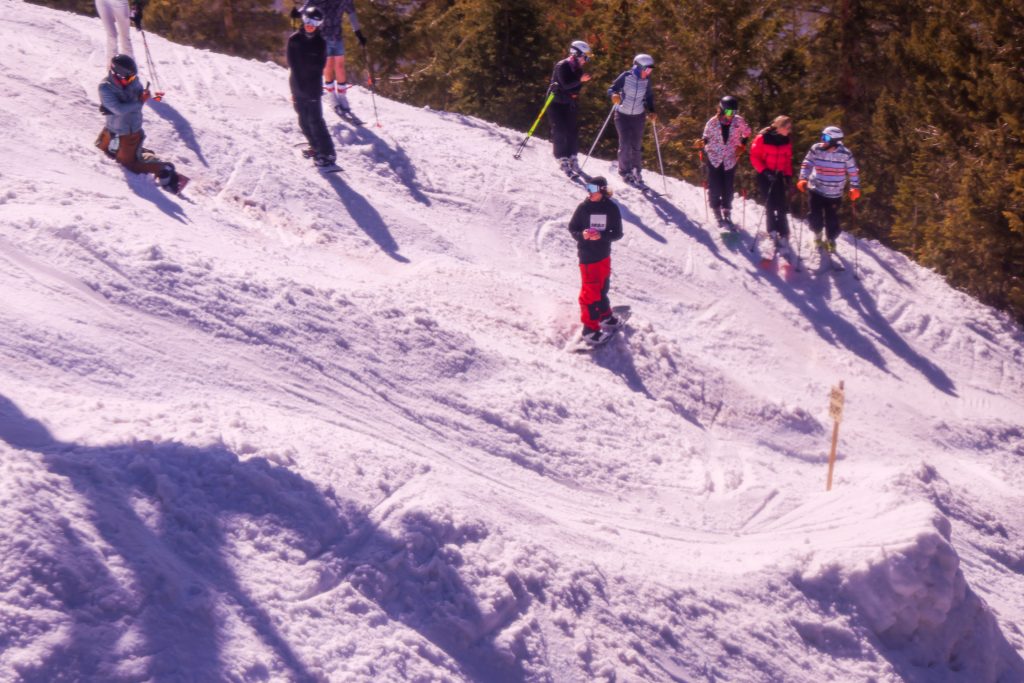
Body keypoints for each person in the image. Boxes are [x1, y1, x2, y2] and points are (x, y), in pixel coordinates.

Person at [95, 54, 186, 193]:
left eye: (133, 76)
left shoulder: (134, 82)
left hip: (129, 132)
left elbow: (126, 106)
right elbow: (119, 109)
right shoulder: (105, 88)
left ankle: (163, 169)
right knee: (102, 149)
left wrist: (141, 98)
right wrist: (137, 102)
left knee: (129, 164)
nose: (133, 80)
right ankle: (140, 153)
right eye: (129, 77)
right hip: (112, 128)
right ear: (117, 74)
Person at [568, 177, 624, 344]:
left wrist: (602, 235)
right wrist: (582, 235)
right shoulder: (583, 208)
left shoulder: (611, 208)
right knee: (590, 293)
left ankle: (605, 316)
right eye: (588, 188)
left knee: (602, 287)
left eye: (592, 188)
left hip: (603, 255)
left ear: (601, 190)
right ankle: (590, 330)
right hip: (587, 256)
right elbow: (573, 228)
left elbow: (618, 233)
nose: (589, 192)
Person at [797, 125, 861, 253]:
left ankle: (831, 239)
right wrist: (803, 178)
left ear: (834, 141)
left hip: (834, 194)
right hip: (816, 189)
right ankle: (817, 234)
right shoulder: (816, 149)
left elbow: (853, 171)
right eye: (822, 136)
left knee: (832, 220)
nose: (822, 139)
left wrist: (855, 187)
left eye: (825, 137)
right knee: (815, 217)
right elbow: (807, 162)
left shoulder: (845, 154)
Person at [296, 0, 365, 117]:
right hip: (322, 38)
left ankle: (342, 98)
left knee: (340, 66)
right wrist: (299, 16)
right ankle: (332, 97)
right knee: (328, 65)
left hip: (337, 37)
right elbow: (305, 9)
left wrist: (358, 33)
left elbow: (352, 14)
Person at [287, 7, 337, 168]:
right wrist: (296, 88)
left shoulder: (320, 43)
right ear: (304, 20)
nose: (310, 25)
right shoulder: (294, 40)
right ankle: (315, 147)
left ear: (319, 24)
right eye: (308, 21)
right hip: (297, 85)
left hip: (313, 87)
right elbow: (292, 64)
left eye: (315, 22)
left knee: (316, 120)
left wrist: (310, 85)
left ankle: (328, 153)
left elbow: (320, 66)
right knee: (303, 120)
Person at [699, 95, 752, 229]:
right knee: (715, 186)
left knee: (728, 188)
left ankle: (727, 210)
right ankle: (716, 208)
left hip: (730, 158)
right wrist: (702, 144)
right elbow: (706, 136)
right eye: (729, 112)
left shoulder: (738, 121)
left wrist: (742, 145)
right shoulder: (712, 122)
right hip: (714, 157)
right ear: (722, 110)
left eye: (735, 112)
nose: (732, 115)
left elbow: (747, 132)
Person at [608, 54, 656, 187]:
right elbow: (612, 89)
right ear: (638, 67)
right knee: (625, 144)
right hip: (622, 115)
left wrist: (651, 111)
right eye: (647, 69)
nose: (649, 72)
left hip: (638, 116)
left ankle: (636, 170)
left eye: (650, 70)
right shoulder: (626, 76)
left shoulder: (647, 81)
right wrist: (614, 95)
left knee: (636, 145)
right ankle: (625, 171)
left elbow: (649, 97)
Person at [749, 115, 794, 253]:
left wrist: (788, 176)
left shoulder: (786, 140)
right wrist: (765, 172)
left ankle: (784, 231)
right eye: (787, 128)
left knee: (781, 204)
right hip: (765, 174)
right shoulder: (763, 138)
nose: (789, 130)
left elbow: (787, 160)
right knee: (770, 204)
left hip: (778, 175)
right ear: (780, 127)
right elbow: (754, 157)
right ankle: (772, 230)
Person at [549, 40, 593, 179]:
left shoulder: (577, 69)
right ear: (576, 54)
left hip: (569, 102)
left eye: (588, 57)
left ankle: (572, 156)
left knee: (572, 130)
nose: (586, 60)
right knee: (560, 129)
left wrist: (578, 83)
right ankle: (561, 157)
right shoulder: (562, 65)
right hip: (556, 102)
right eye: (585, 57)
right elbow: (567, 84)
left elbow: (576, 88)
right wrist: (580, 80)